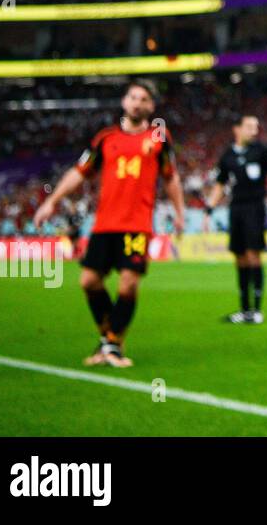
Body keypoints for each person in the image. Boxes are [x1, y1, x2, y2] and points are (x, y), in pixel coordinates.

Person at [33, 80, 185, 367]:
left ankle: (112, 344)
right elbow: (79, 173)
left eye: (143, 99)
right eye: (132, 97)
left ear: (151, 107)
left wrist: (179, 213)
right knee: (89, 281)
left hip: (137, 224)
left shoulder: (159, 138)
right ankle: (109, 340)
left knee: (128, 285)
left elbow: (171, 177)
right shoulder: (105, 139)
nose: (137, 103)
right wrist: (51, 202)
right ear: (124, 102)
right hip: (104, 224)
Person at [204, 115, 267, 323]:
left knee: (253, 255)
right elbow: (220, 185)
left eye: (256, 127)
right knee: (239, 257)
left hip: (255, 208)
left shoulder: (262, 151)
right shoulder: (228, 155)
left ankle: (256, 311)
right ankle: (244, 309)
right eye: (250, 126)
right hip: (235, 209)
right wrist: (208, 210)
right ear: (237, 129)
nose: (254, 131)